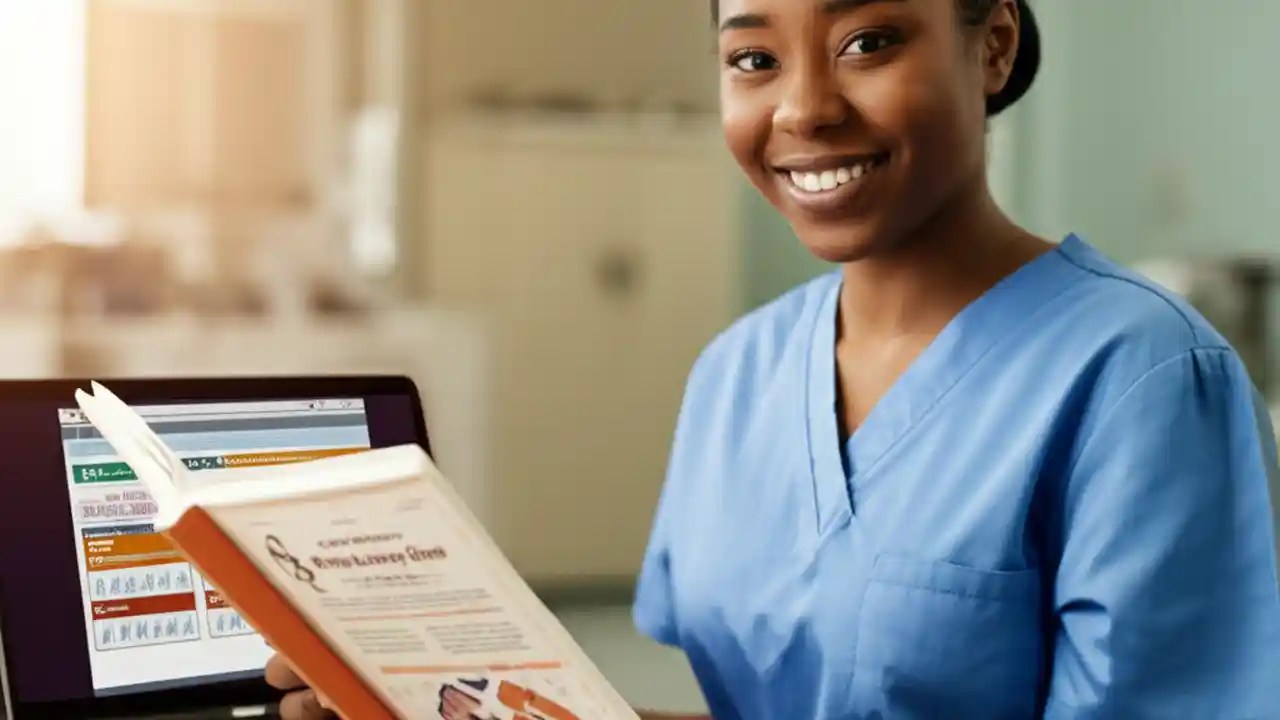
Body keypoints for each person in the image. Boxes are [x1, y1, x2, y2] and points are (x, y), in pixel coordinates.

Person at [266, 0, 1280, 717]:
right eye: (753, 59)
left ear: (993, 47)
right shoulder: (736, 372)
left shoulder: (1141, 377)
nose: (802, 109)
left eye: (866, 43)